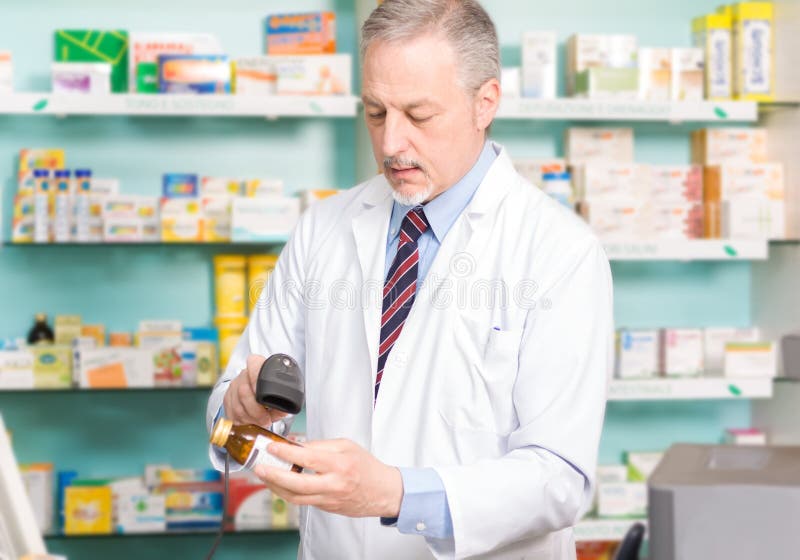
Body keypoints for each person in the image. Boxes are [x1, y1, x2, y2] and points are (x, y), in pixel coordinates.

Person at [206, 0, 613, 558]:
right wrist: (241, 407)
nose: (391, 143)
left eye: (418, 116)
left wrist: (394, 494)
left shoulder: (558, 252)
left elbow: (558, 477)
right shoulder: (325, 227)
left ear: (484, 103)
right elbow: (231, 405)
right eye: (376, 113)